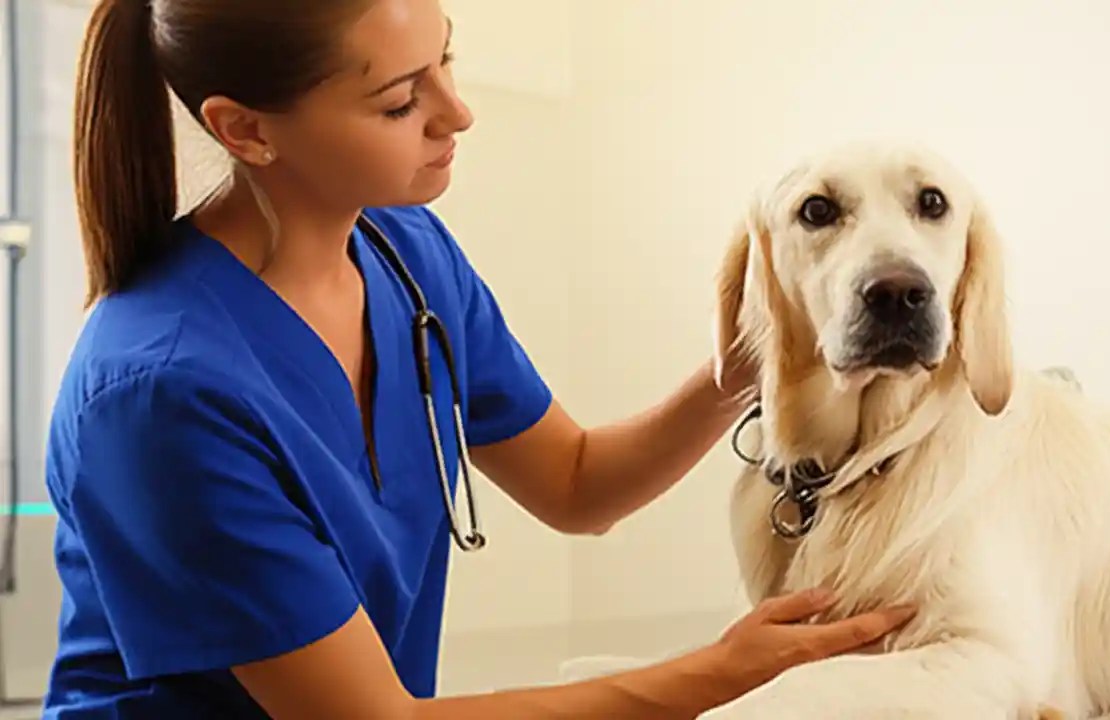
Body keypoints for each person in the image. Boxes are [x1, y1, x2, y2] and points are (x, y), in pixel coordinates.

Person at [41, 0, 917, 717]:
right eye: (398, 101)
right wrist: (724, 672)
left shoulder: (404, 254)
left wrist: (750, 362)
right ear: (245, 130)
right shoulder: (160, 393)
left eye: (446, 60)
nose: (457, 112)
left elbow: (578, 485)